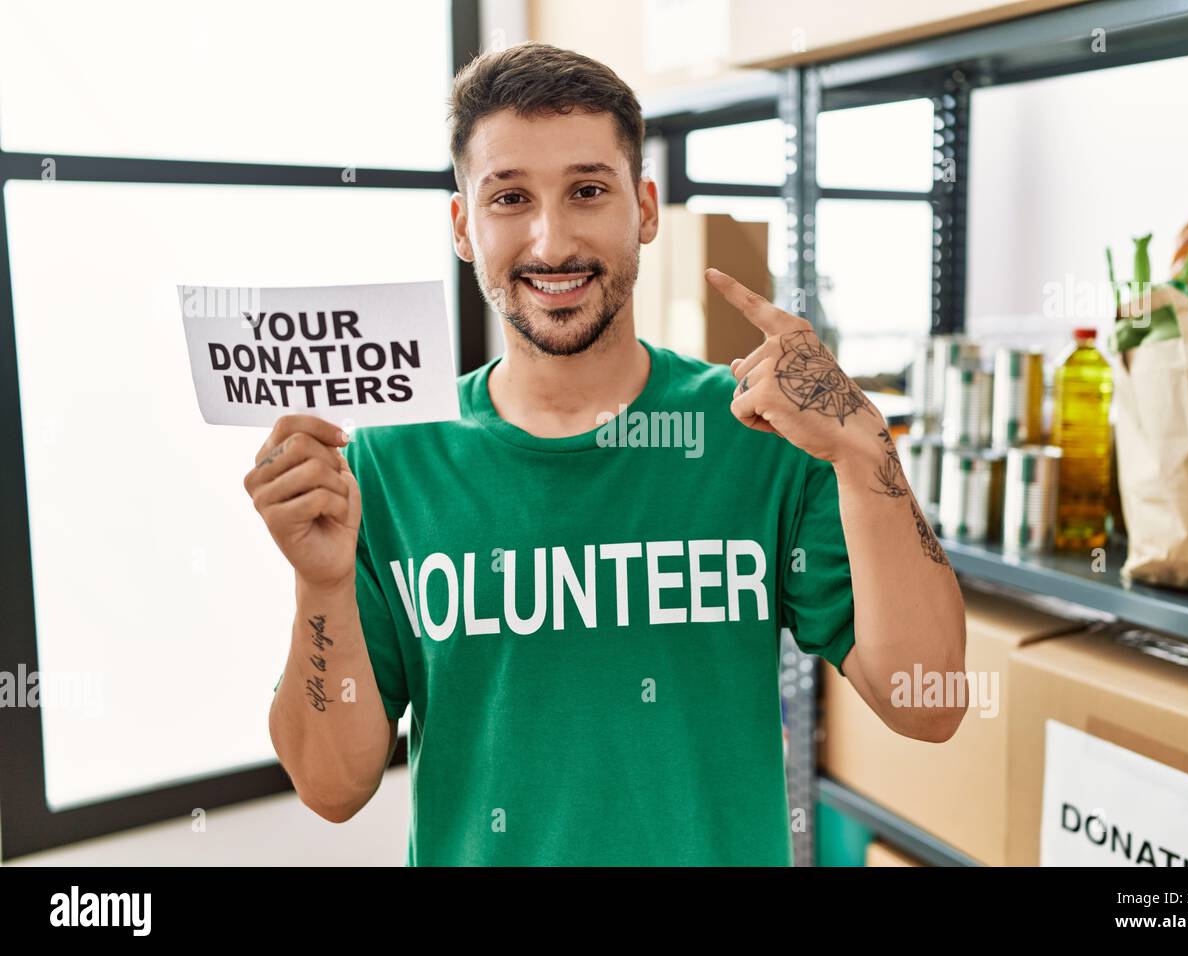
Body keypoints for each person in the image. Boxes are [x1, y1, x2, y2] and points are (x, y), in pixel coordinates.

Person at [247, 41, 967, 866]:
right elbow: (332, 790)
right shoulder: (387, 461)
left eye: (588, 190)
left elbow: (932, 701)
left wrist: (866, 451)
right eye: (510, 197)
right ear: (463, 226)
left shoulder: (760, 433)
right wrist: (320, 578)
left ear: (645, 208)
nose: (552, 242)